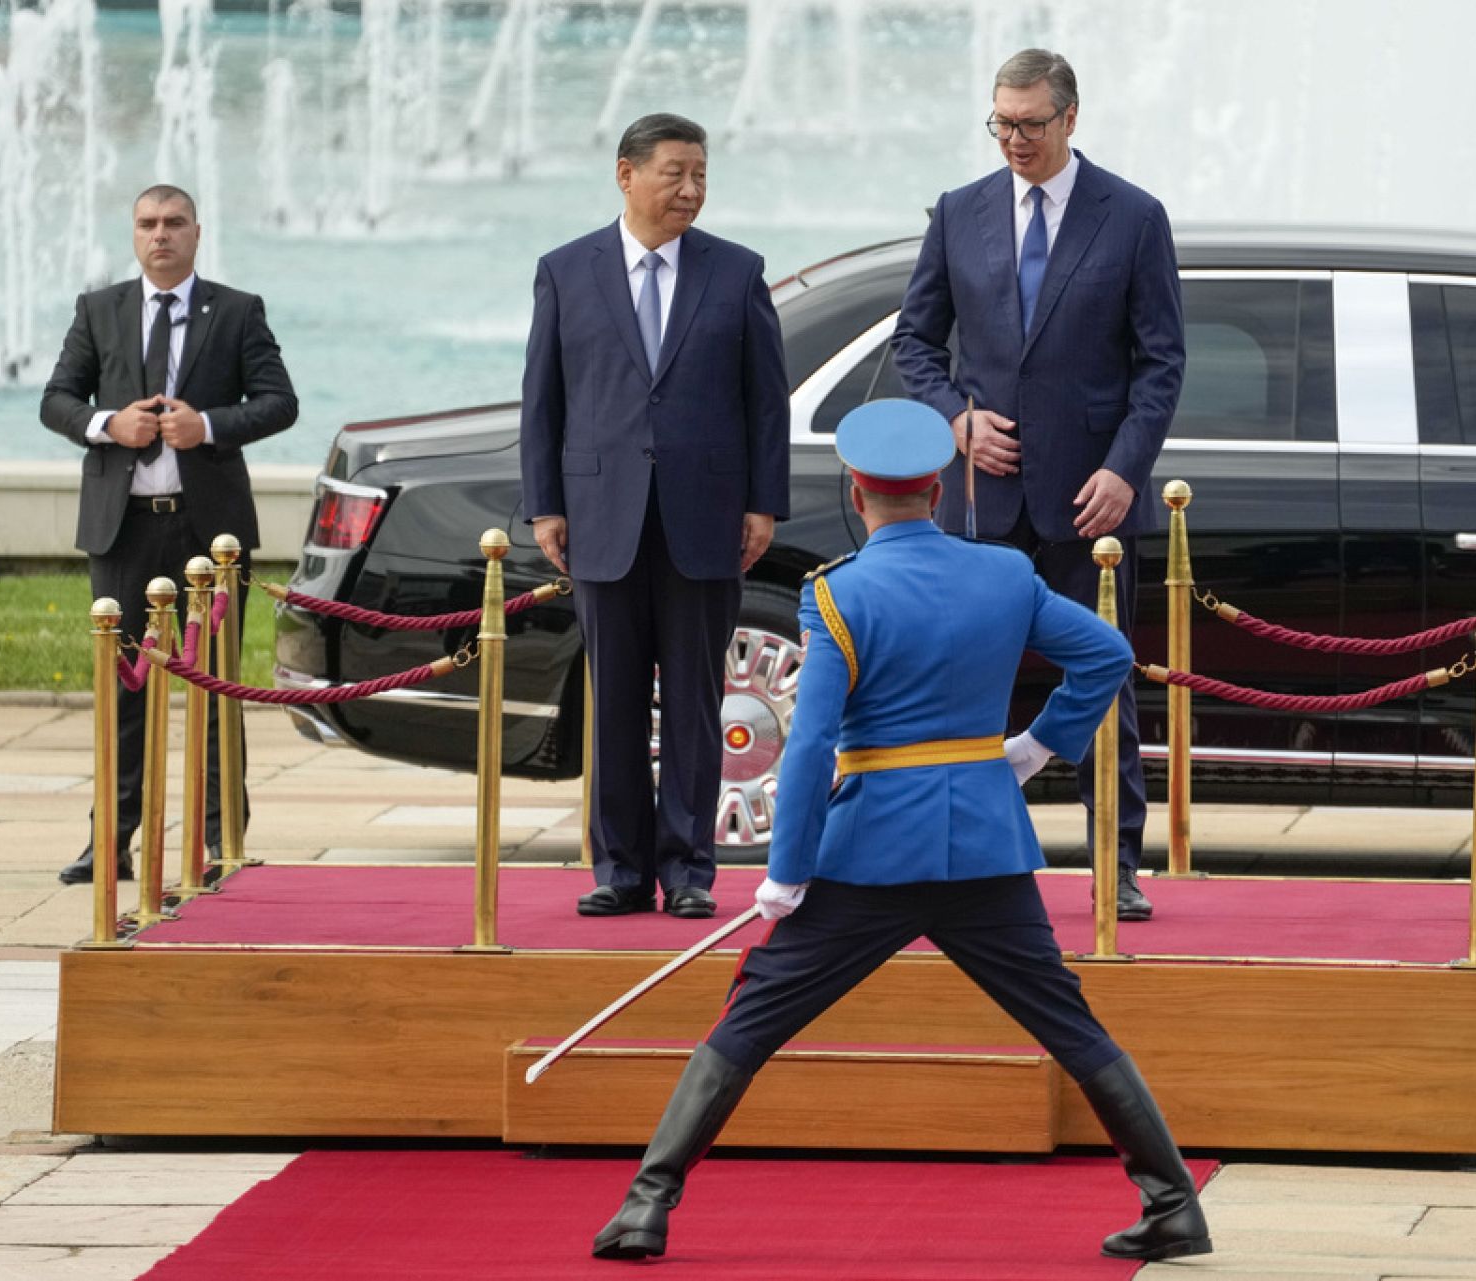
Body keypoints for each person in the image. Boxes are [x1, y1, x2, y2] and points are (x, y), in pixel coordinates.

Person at [590, 399, 1211, 1265]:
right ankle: (1173, 1201)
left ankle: (648, 1205)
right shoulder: (1003, 575)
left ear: (857, 491)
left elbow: (808, 747)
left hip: (870, 853)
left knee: (751, 1021)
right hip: (985, 845)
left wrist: (785, 870)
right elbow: (1105, 654)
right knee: (1070, 1024)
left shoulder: (837, 593)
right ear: (941, 485)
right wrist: (1036, 746)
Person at [892, 48, 1185, 921]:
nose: (1012, 140)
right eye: (1000, 123)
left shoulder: (1132, 217)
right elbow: (915, 342)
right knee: (960, 680)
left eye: (1028, 124)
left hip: (1090, 501)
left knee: (1101, 679)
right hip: (983, 498)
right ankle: (957, 854)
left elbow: (1161, 364)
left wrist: (1124, 471)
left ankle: (1114, 863)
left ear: (1069, 119)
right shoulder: (959, 212)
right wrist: (957, 419)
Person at [519, 113, 791, 920]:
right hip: (600, 515)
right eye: (675, 173)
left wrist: (762, 503)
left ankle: (689, 868)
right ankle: (620, 866)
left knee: (697, 705)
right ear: (625, 174)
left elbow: (764, 402)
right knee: (615, 700)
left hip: (704, 519)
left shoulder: (736, 273)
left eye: (701, 174)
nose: (691, 189)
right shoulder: (566, 271)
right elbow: (545, 399)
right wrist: (545, 505)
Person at [40, 183, 298, 885]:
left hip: (209, 532)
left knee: (215, 690)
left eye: (174, 223)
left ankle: (221, 846)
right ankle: (109, 843)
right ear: (134, 235)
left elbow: (280, 402)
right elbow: (56, 399)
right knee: (122, 692)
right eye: (149, 224)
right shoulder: (100, 310)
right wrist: (107, 424)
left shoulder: (237, 311)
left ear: (196, 232)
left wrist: (207, 425)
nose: (161, 234)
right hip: (123, 532)